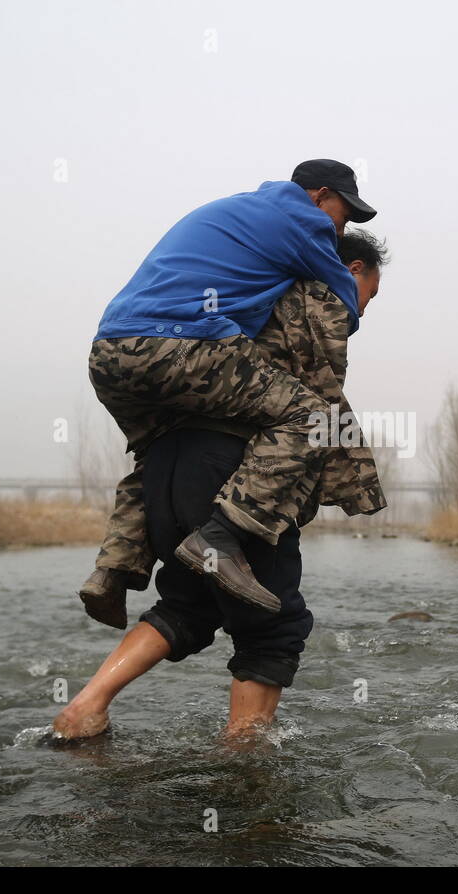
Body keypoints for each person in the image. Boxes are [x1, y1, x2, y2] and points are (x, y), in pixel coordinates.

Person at [53, 232, 388, 742]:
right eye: (369, 292)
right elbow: (321, 403)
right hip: (231, 474)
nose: (363, 308)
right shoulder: (312, 297)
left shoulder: (234, 299)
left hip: (166, 472)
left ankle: (84, 709)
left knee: (190, 604)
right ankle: (244, 766)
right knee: (273, 625)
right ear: (352, 268)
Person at [79, 159, 377, 624]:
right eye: (344, 213)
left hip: (110, 353)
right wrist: (356, 309)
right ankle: (220, 537)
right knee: (311, 417)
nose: (340, 228)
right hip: (173, 342)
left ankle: (112, 570)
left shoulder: (242, 209)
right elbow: (337, 296)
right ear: (319, 197)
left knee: (156, 450)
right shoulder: (303, 219)